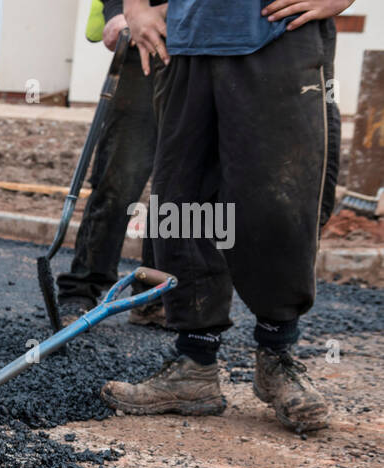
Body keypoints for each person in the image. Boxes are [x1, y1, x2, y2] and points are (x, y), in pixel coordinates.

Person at [101, 0, 351, 433]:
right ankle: (194, 364)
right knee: (183, 203)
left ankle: (277, 356)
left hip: (279, 35)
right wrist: (137, 8)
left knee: (277, 203)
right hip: (186, 41)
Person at [58, 0, 164, 327]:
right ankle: (83, 289)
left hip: (212, 54)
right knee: (120, 175)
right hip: (146, 43)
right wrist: (119, 10)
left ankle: (154, 294)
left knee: (183, 185)